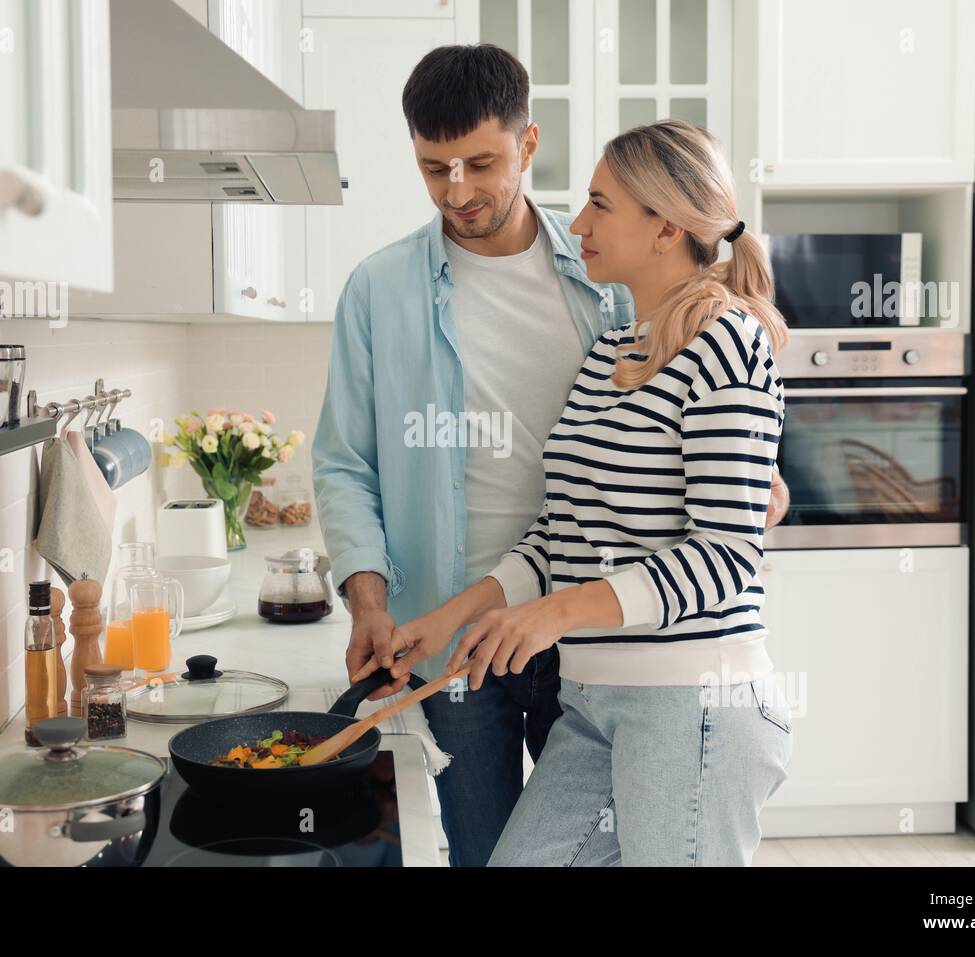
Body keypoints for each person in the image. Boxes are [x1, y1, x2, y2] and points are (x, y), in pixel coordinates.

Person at [313, 45, 789, 867]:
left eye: (482, 163)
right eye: (435, 168)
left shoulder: (646, 303)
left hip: (659, 676)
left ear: (528, 146)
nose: (458, 189)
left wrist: (746, 482)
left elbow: (728, 534)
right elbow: (557, 522)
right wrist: (426, 610)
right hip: (514, 659)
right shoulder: (611, 340)